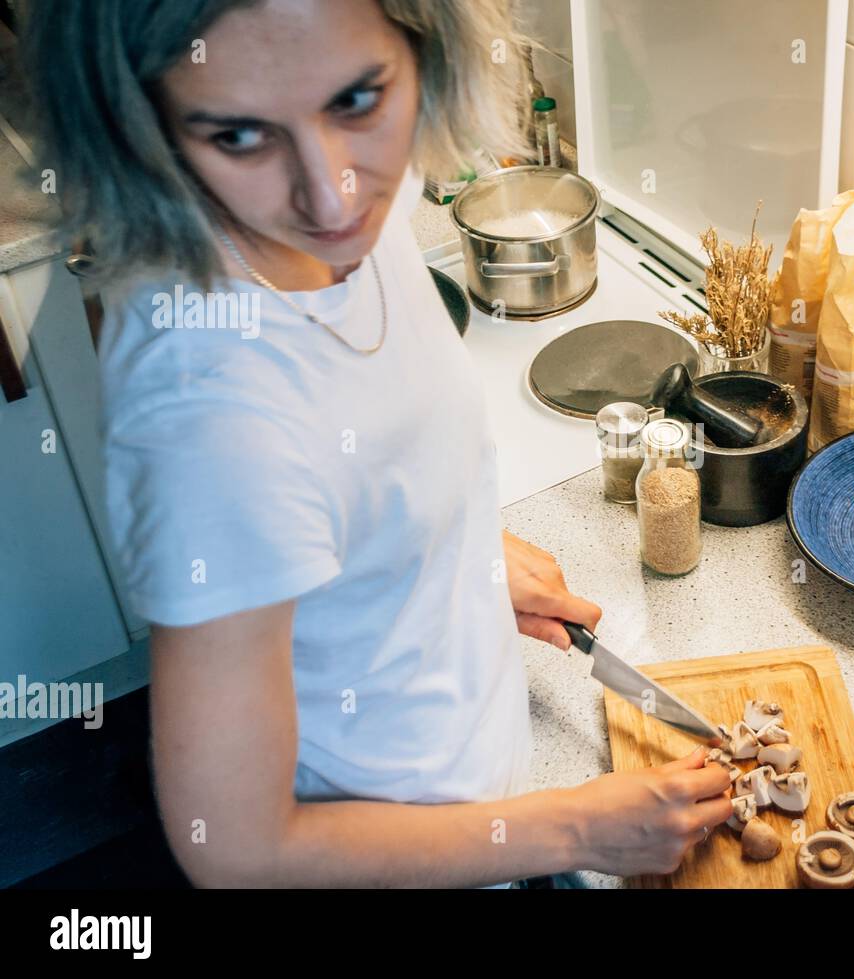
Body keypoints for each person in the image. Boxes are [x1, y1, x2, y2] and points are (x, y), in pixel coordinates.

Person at [21, 0, 731, 887]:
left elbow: (362, 458)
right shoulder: (208, 410)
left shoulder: (337, 210)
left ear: (423, 48)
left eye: (359, 98)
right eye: (238, 135)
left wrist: (440, 549)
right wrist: (576, 833)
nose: (331, 194)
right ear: (141, 125)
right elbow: (235, 846)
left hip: (487, 788)